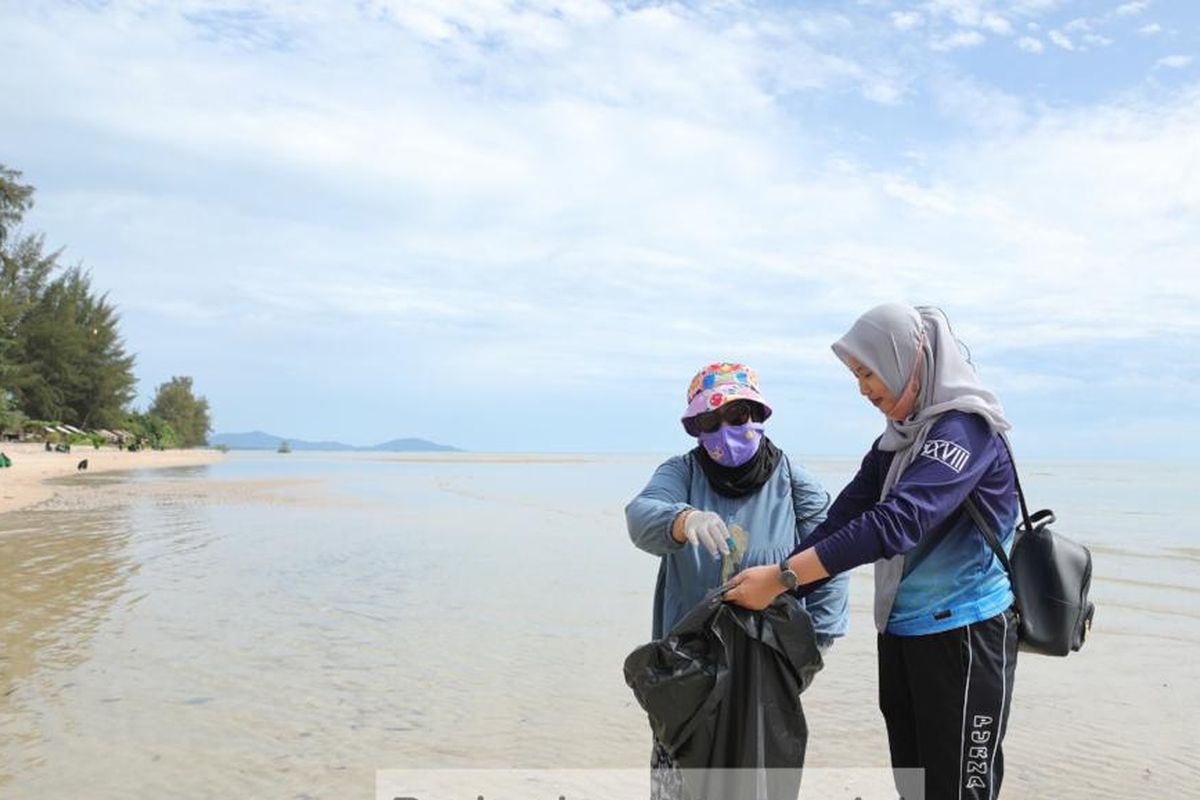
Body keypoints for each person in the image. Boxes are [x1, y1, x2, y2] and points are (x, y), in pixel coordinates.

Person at [725, 304, 1019, 800]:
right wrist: (780, 591)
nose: (863, 387)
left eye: (869, 370)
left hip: (965, 636)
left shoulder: (965, 430)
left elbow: (895, 524)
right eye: (855, 375)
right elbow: (843, 519)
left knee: (959, 790)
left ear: (908, 358)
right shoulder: (899, 440)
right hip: (903, 633)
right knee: (915, 783)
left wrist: (782, 579)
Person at [625, 361, 850, 796]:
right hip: (687, 668)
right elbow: (640, 515)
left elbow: (831, 557)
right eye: (710, 420)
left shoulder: (792, 480)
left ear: (758, 416)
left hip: (767, 666)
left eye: (737, 416)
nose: (725, 430)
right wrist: (683, 519)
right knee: (680, 780)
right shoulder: (683, 473)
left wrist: (814, 644)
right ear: (696, 427)